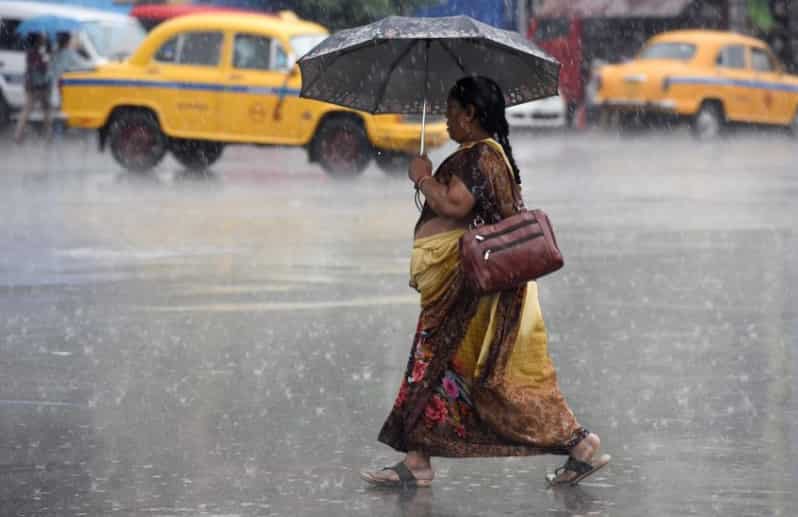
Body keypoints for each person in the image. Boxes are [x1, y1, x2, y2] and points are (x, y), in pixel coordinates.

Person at [361, 76, 610, 488]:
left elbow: (454, 204)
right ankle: (418, 458)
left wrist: (422, 177)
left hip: (473, 292)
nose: (446, 121)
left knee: (485, 381)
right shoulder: (489, 155)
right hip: (472, 287)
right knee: (435, 369)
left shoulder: (479, 156)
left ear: (471, 114)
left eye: (451, 112)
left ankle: (579, 443)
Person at [14, 32, 52, 144]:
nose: (43, 39)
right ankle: (48, 135)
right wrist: (46, 60)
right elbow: (43, 68)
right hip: (40, 87)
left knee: (27, 110)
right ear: (38, 40)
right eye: (42, 37)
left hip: (31, 86)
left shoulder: (30, 52)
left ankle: (18, 135)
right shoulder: (39, 53)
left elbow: (30, 68)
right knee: (46, 110)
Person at [50, 32, 90, 137]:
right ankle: (60, 131)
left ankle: (56, 133)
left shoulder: (55, 53)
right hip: (66, 85)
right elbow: (83, 65)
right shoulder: (69, 53)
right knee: (64, 109)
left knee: (58, 109)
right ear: (68, 41)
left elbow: (51, 68)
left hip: (55, 84)